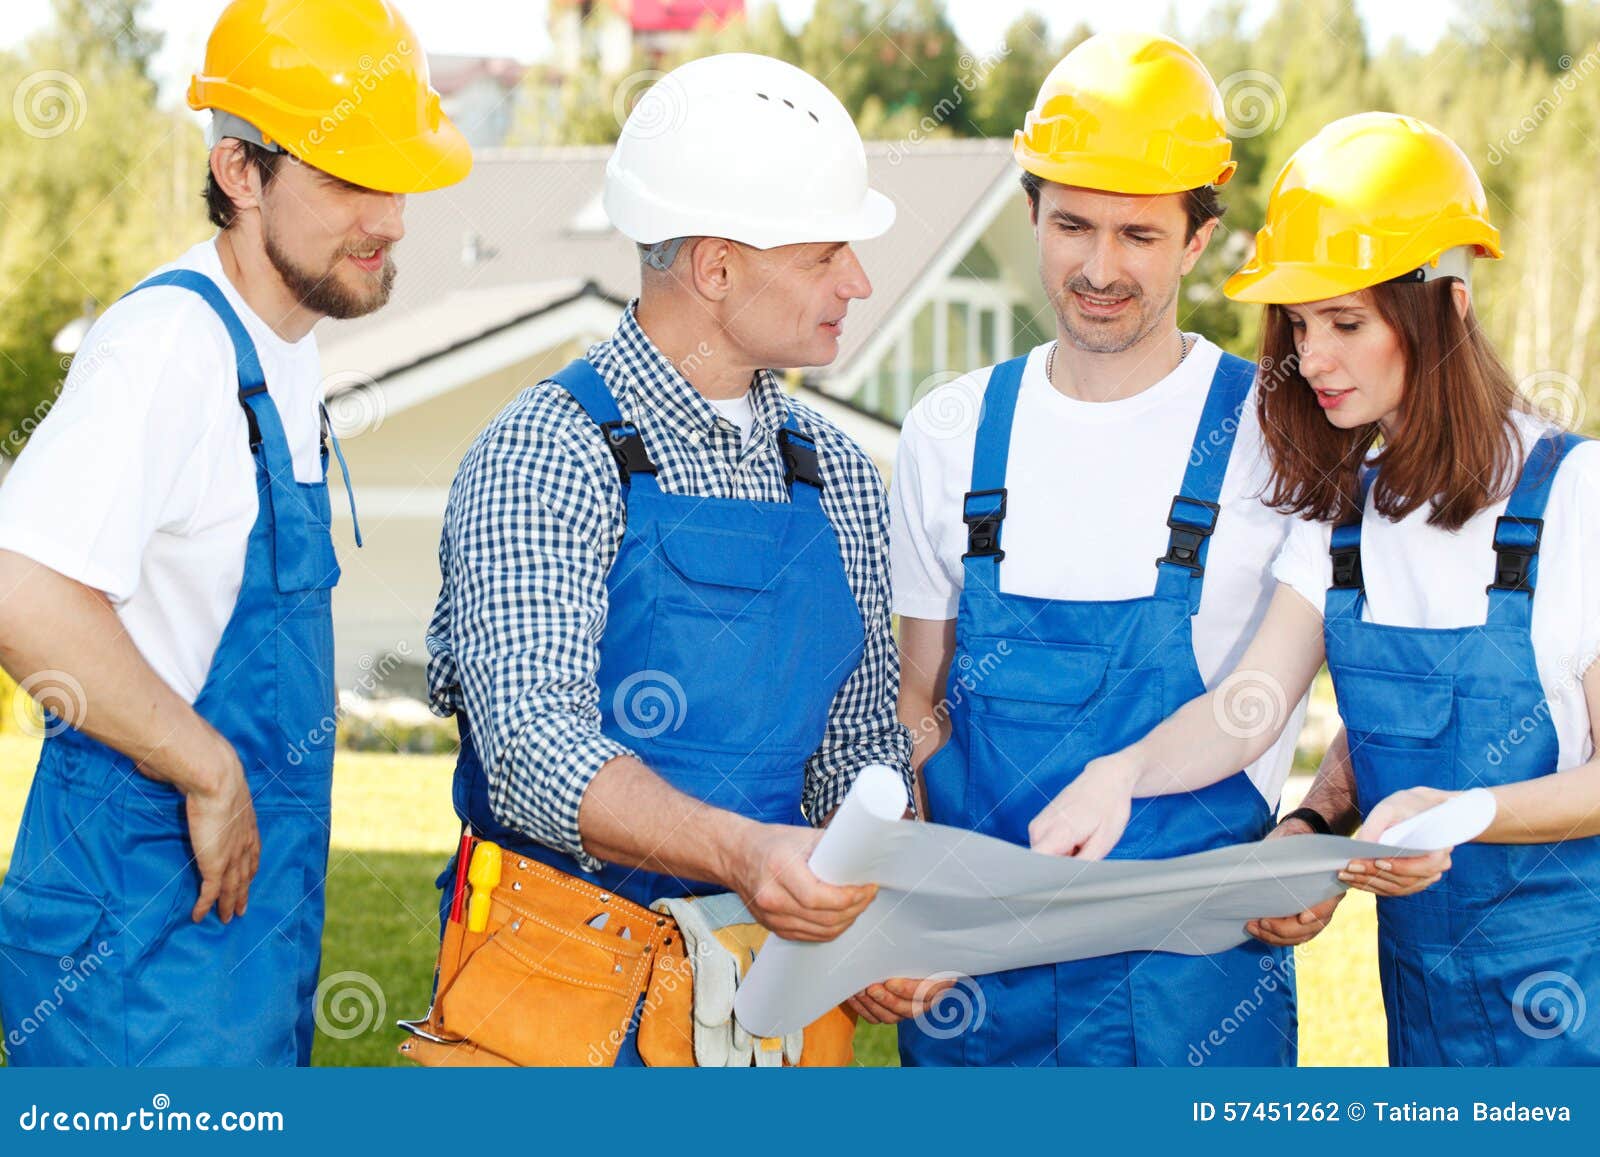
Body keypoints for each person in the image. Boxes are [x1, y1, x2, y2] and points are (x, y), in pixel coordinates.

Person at [1046, 111, 1600, 1065]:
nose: (1313, 358)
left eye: (1346, 321)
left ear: (1446, 310)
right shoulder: (1346, 514)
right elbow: (1250, 706)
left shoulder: (1576, 496)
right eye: (1300, 325)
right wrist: (1154, 782)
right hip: (1425, 1004)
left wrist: (1465, 813)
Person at [422, 53, 929, 1068]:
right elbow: (530, 748)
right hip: (559, 1008)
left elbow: (857, 746)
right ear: (716, 267)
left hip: (779, 1012)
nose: (858, 281)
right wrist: (744, 851)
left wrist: (876, 904)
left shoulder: (839, 476)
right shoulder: (548, 453)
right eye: (827, 252)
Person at [0, 0, 470, 1066]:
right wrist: (209, 769)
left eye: (394, 180)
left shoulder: (283, 346)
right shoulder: (171, 343)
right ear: (242, 172)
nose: (389, 219)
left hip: (234, 937)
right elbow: (20, 590)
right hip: (132, 947)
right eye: (349, 179)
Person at [890, 32, 1304, 1067]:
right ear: (1029, 211)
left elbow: (1282, 693)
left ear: (1198, 239)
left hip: (1192, 993)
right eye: (1071, 224)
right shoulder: (949, 433)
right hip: (974, 988)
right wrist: (900, 897)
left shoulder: (1277, 432)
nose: (1099, 267)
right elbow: (916, 704)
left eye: (1139, 235)